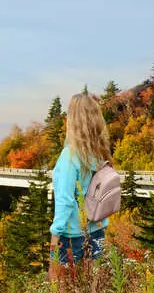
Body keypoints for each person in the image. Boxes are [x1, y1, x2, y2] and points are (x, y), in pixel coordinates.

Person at [49, 92, 115, 272]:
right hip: (98, 230)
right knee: (93, 289)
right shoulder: (100, 153)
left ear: (73, 120)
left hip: (72, 236)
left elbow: (65, 200)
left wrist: (55, 237)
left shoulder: (69, 156)